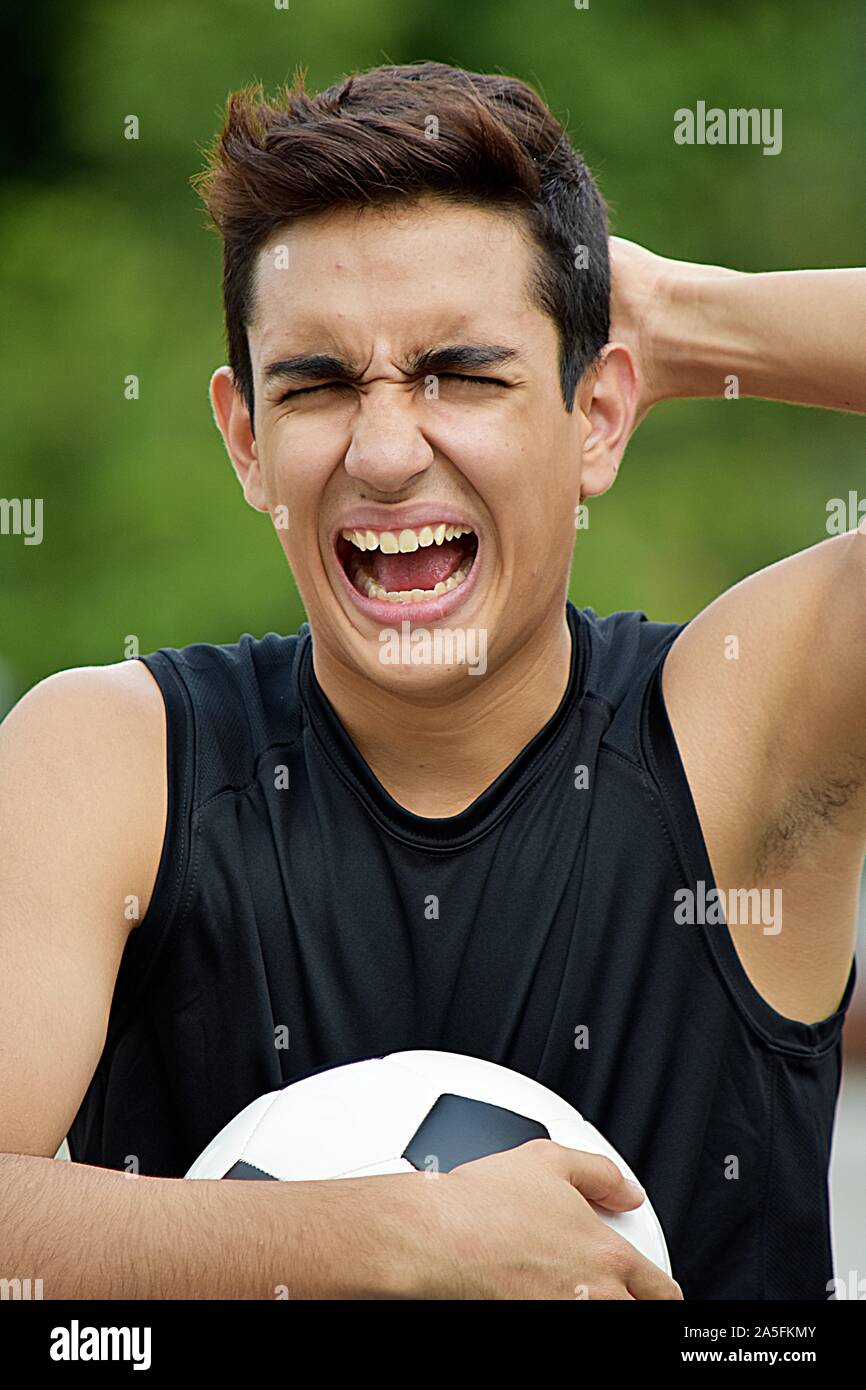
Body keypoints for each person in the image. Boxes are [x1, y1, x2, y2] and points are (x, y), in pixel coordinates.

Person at [2, 62, 864, 1301]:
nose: (387, 452)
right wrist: (382, 1243)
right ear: (246, 439)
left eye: (464, 373)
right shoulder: (110, 760)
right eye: (317, 385)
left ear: (600, 416)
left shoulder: (744, 734)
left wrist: (679, 317)